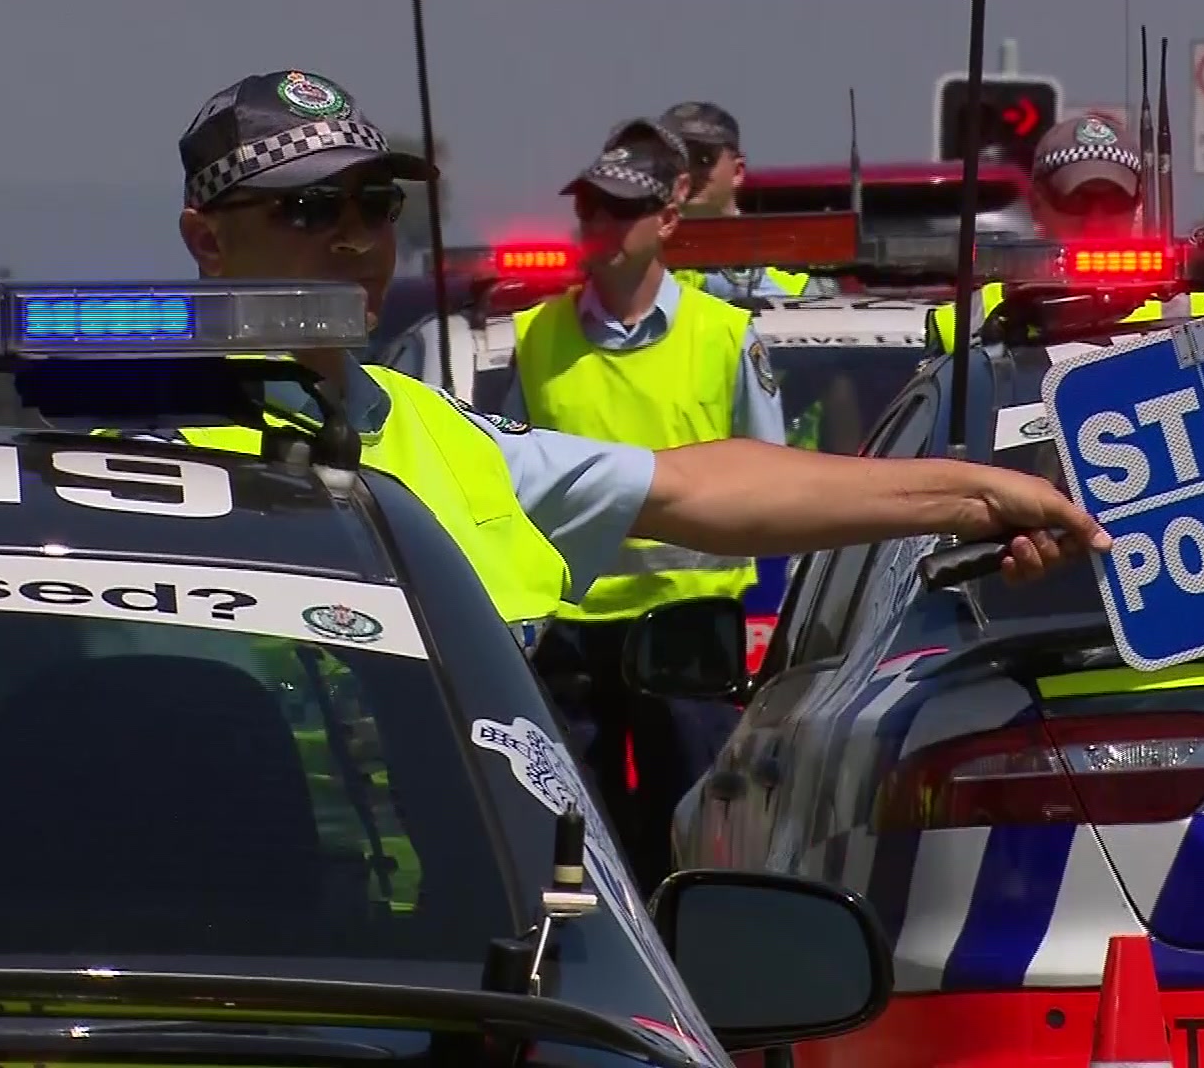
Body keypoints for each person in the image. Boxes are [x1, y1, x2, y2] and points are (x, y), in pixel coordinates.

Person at [163, 69, 1107, 882]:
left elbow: (703, 488)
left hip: (462, 951)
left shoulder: (429, 429)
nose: (355, 238)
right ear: (205, 239)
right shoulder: (128, 448)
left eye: (377, 205)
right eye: (307, 209)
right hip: (209, 945)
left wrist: (981, 493)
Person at [485, 117, 787, 891]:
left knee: (693, 837)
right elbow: (505, 482)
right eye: (590, 209)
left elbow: (772, 478)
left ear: (668, 221)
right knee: (577, 840)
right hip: (571, 636)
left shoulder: (727, 337)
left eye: (621, 210)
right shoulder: (536, 337)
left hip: (686, 634)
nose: (602, 226)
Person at [924, 112, 1204, 355]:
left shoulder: (1197, 315)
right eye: (1076, 200)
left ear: (1139, 205)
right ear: (1037, 205)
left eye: (1115, 200)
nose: (1096, 220)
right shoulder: (965, 325)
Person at [656, 100, 837, 301]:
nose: (687, 172)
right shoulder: (636, 268)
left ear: (737, 171)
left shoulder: (797, 275)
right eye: (674, 159)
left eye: (702, 158)